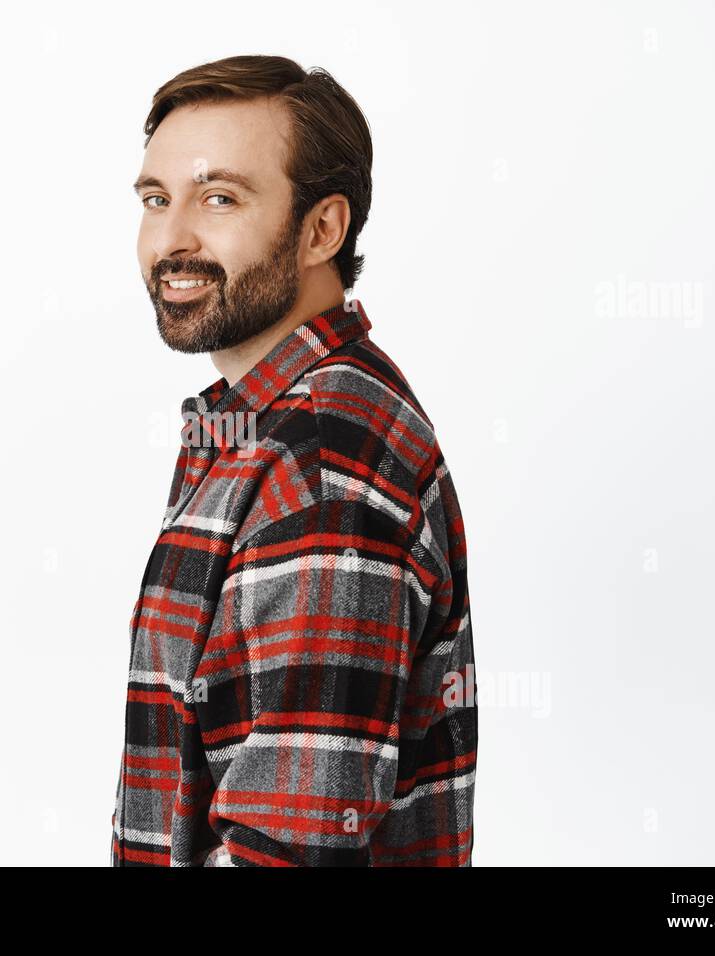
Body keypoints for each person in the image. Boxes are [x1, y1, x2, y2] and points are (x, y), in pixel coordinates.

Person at [112, 54, 477, 866]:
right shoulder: (257, 429)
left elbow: (290, 847)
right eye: (155, 200)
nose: (171, 240)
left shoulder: (320, 463)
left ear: (322, 229)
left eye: (219, 198)